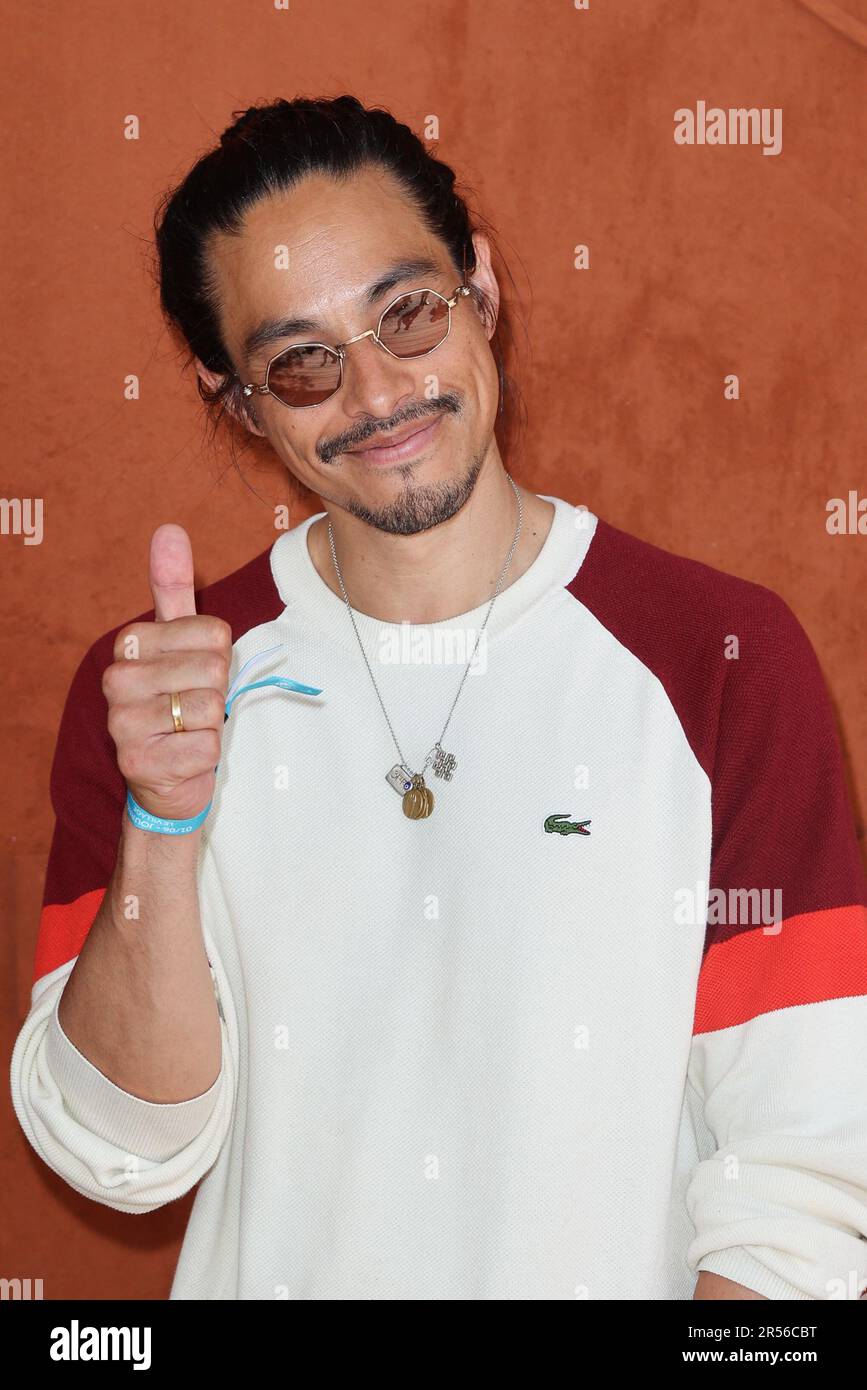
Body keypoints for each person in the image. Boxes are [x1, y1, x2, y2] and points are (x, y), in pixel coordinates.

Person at [10, 95, 867, 1302]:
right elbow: (117, 1155)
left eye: (408, 312)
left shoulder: (723, 658)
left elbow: (808, 1186)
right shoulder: (166, 689)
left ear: (483, 286)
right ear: (235, 399)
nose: (375, 392)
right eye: (301, 361)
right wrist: (161, 825)